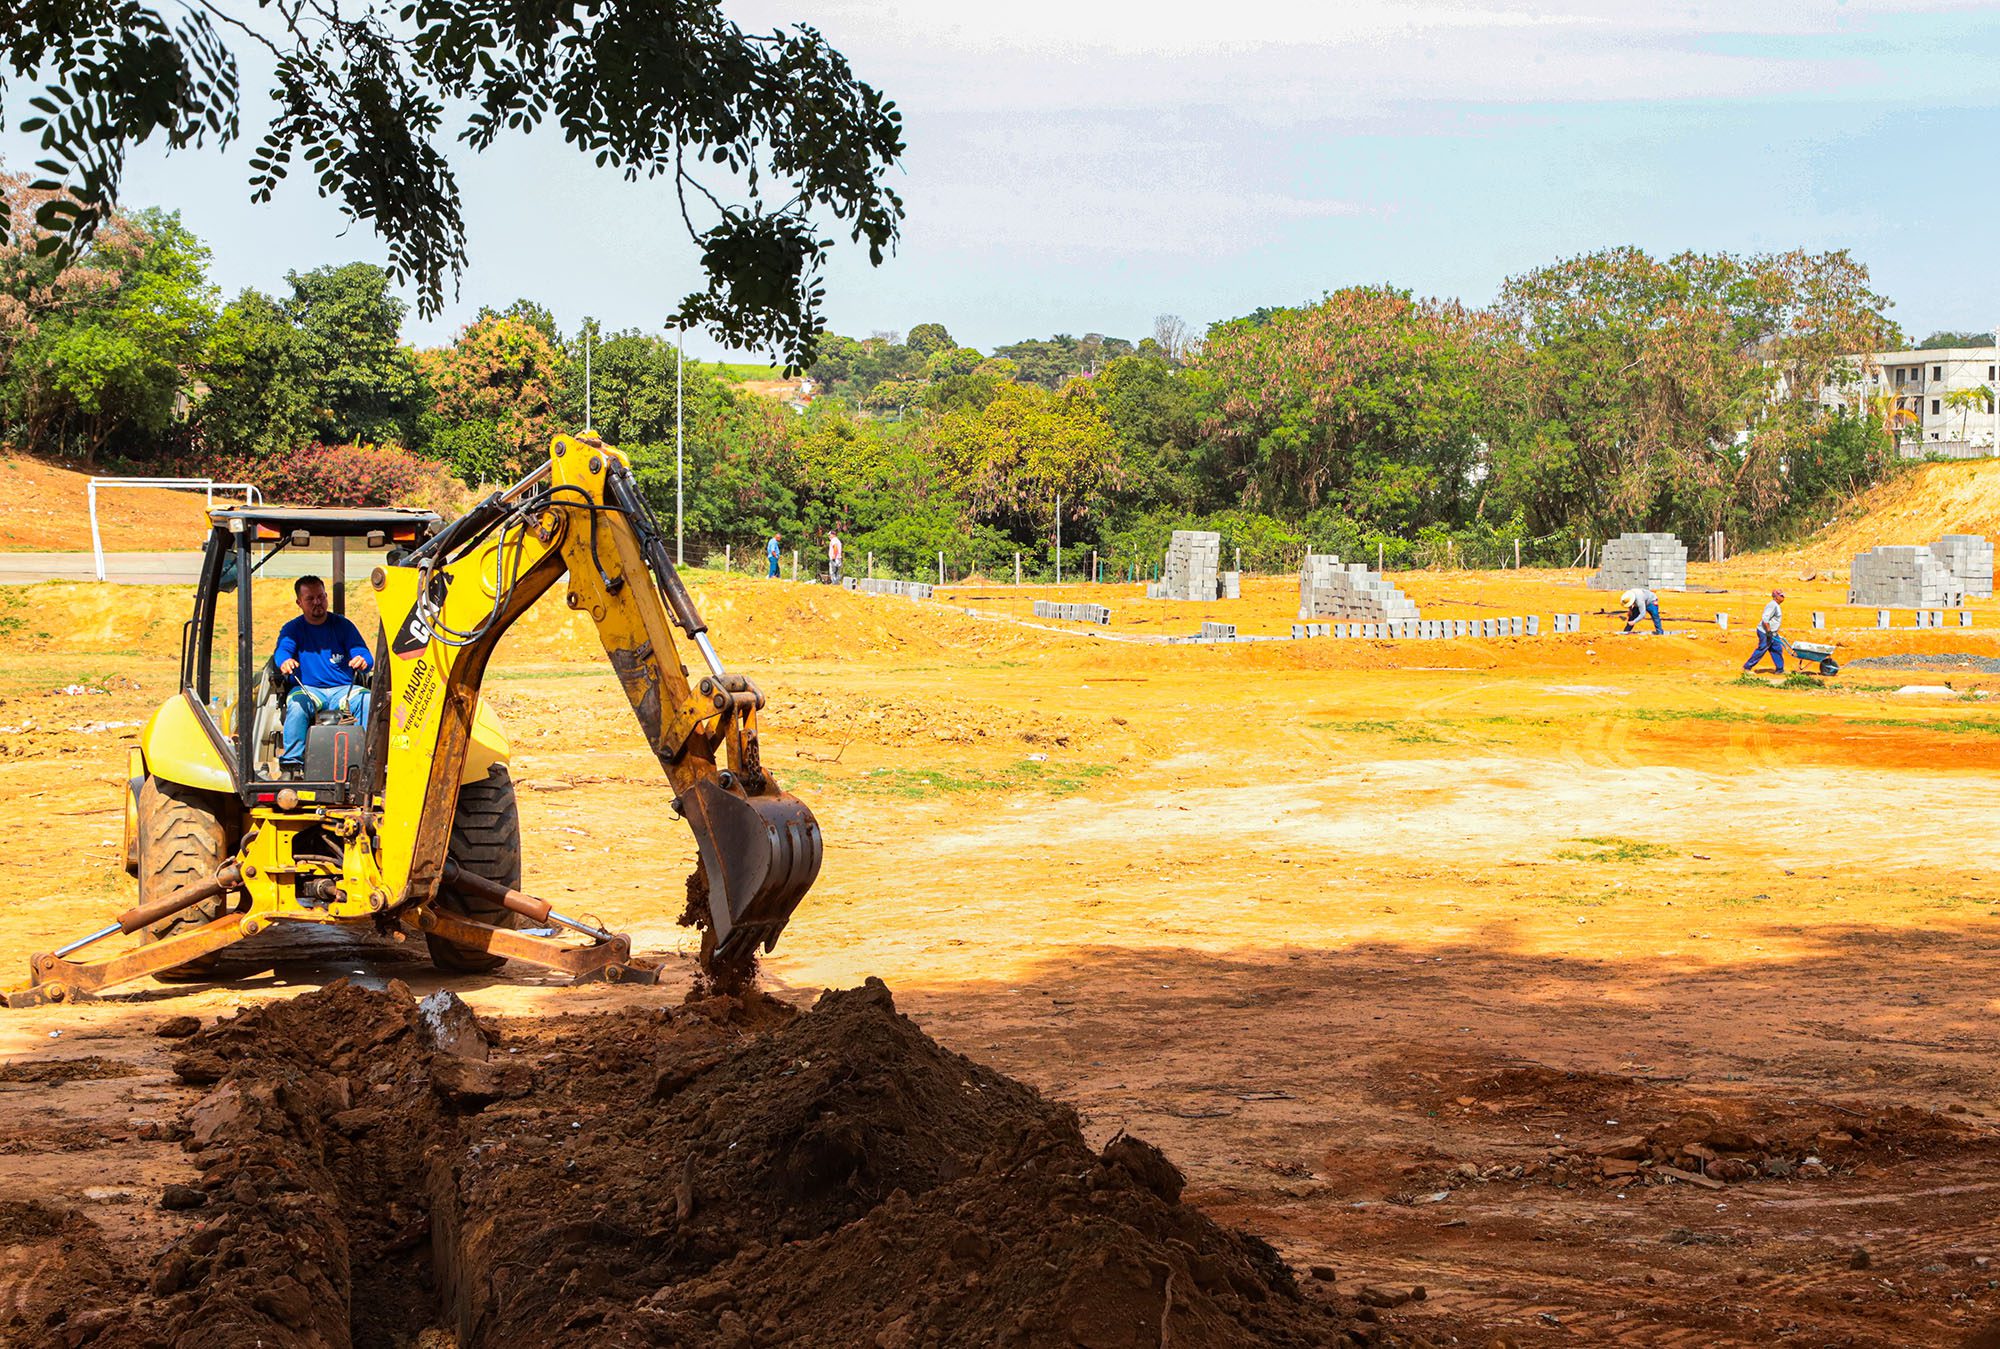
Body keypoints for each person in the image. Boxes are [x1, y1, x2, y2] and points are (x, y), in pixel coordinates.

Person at [274, 575, 372, 775]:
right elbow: (282, 651)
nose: (317, 602)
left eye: (321, 597)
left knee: (367, 700)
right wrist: (284, 661)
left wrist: (362, 660)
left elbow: (364, 654)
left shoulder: (343, 626)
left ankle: (368, 760)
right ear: (299, 603)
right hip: (309, 690)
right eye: (310, 599)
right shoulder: (293, 629)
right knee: (296, 705)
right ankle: (292, 762)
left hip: (344, 690)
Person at [1742, 588, 1787, 674]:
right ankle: (1747, 667)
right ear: (1776, 597)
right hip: (1765, 632)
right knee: (1762, 649)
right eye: (1781, 596)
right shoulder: (1772, 605)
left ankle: (1780, 669)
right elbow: (1765, 619)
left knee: (1777, 649)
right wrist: (1769, 632)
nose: (1783, 597)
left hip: (1772, 633)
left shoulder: (1776, 605)